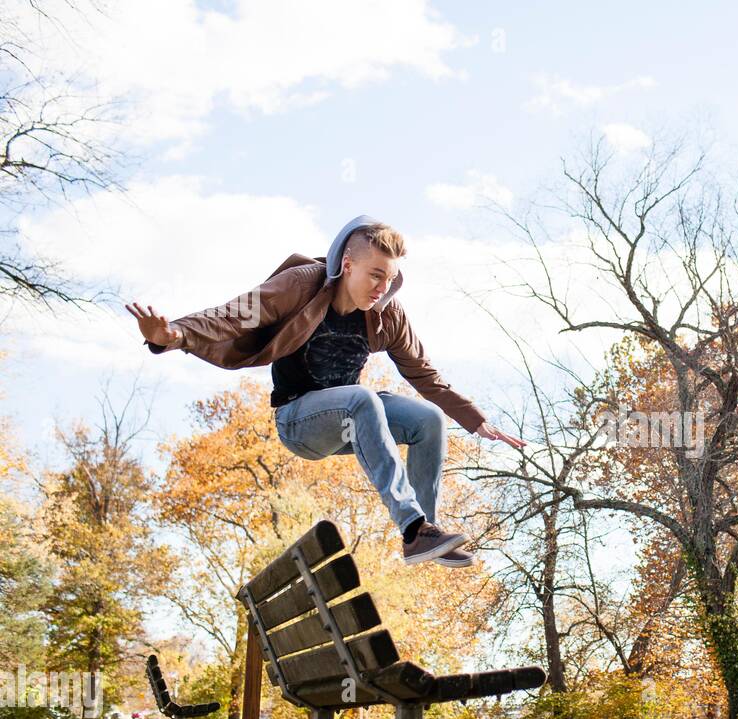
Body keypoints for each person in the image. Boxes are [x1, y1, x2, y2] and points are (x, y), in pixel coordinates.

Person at [126, 215, 524, 567]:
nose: (381, 289)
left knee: (428, 420)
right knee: (362, 398)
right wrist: (173, 335)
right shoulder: (301, 286)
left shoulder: (387, 314)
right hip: (299, 421)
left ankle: (425, 534)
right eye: (374, 275)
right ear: (347, 265)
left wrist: (477, 421)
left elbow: (423, 373)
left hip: (352, 420)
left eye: (389, 280)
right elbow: (236, 314)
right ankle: (412, 527)